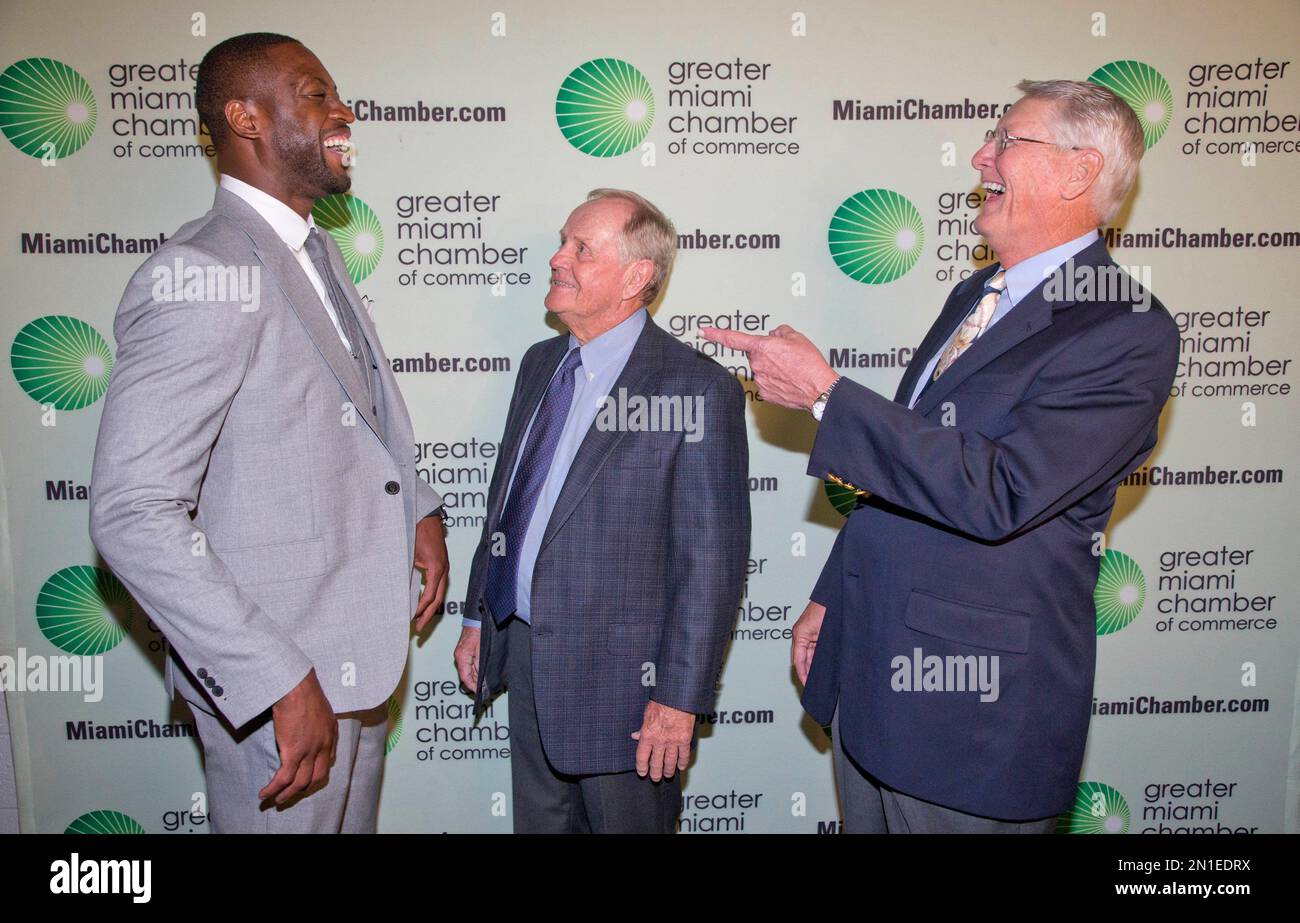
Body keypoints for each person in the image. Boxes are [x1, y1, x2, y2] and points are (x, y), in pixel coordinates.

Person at [702, 80, 1179, 833]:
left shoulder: (1126, 328)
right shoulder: (974, 295)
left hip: (972, 726)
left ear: (1078, 172)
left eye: (1006, 139)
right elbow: (908, 467)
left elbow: (1000, 490)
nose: (978, 156)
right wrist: (836, 590)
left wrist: (827, 394)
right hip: (872, 681)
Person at [89, 33, 449, 833]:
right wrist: (279, 678)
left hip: (351, 659)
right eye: (314, 93)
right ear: (245, 118)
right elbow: (132, 510)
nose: (343, 110)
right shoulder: (204, 273)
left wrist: (416, 507)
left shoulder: (315, 249)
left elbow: (350, 408)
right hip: (284, 691)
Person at [454, 189, 750, 833]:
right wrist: (480, 616)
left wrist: (678, 698)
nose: (558, 258)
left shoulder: (696, 388)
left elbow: (712, 565)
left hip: (629, 688)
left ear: (637, 277)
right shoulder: (540, 364)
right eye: (563, 241)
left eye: (581, 248)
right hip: (528, 658)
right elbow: (507, 502)